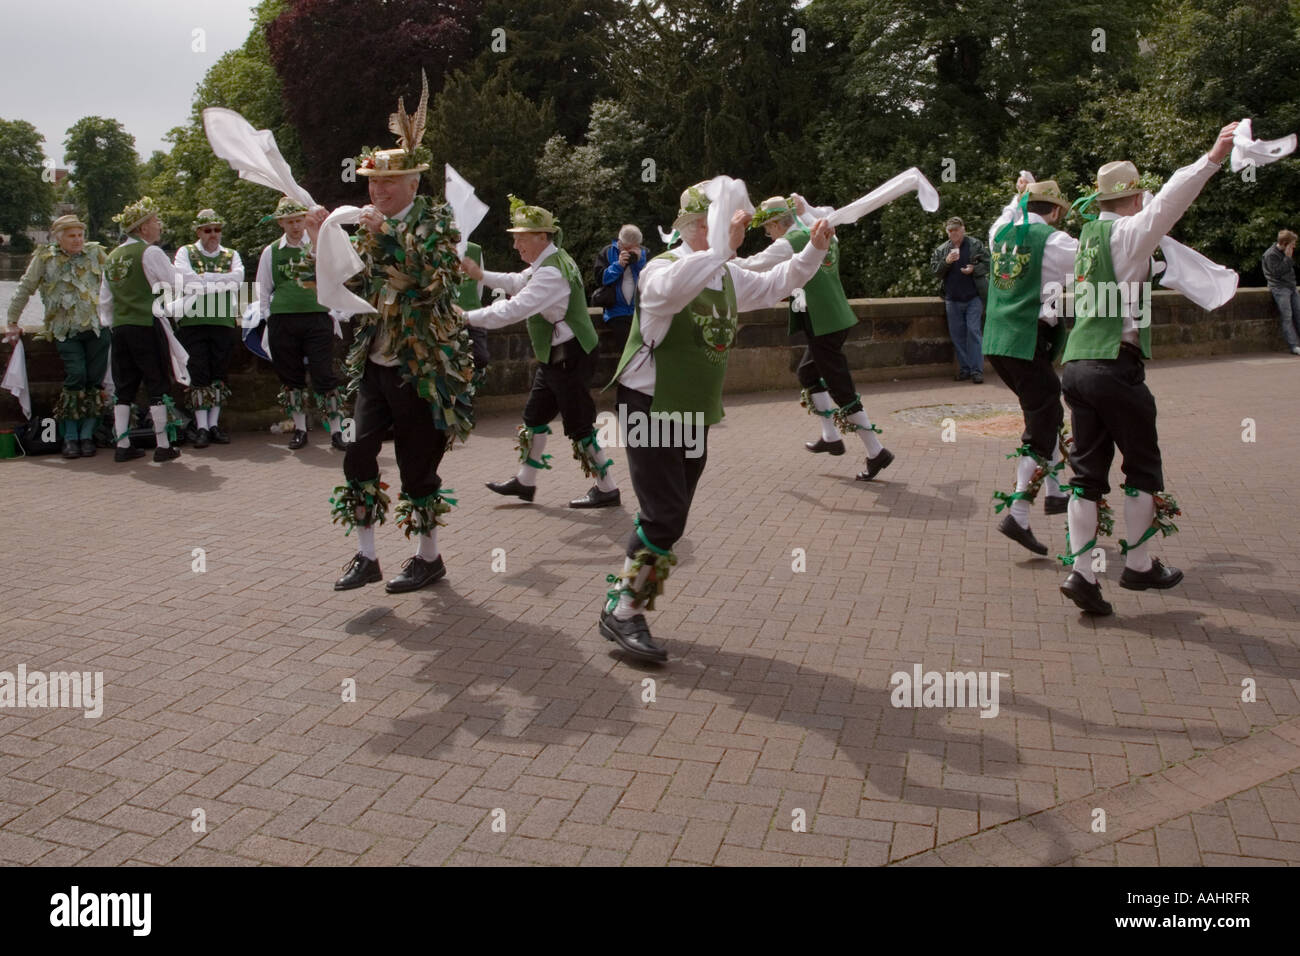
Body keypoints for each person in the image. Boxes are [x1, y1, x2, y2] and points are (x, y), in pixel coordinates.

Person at [599, 182, 833, 662]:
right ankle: (624, 611)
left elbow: (774, 284)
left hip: (691, 409)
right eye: (724, 221)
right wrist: (723, 250)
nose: (737, 225)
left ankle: (622, 601)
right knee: (663, 515)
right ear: (699, 227)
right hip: (649, 406)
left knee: (672, 516)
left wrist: (812, 249)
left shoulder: (722, 274)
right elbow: (674, 287)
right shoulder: (662, 271)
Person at [1057, 122, 1239, 616]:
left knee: (1086, 474)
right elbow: (1171, 203)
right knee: (1141, 467)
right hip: (1114, 366)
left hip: (1075, 365)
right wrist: (1213, 158)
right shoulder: (1131, 233)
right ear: (1134, 199)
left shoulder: (1087, 237)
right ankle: (1136, 565)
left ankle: (1081, 573)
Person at [306, 80, 477, 594]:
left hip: (423, 367)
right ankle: (366, 555)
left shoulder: (438, 221)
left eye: (388, 182)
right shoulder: (366, 224)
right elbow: (355, 283)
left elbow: (433, 282)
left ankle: (428, 558)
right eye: (372, 183)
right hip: (377, 363)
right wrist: (322, 240)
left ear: (413, 184)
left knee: (417, 467)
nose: (376, 191)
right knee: (357, 454)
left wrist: (388, 239)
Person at [461, 195, 619, 509]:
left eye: (521, 238)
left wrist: (464, 317)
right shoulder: (549, 261)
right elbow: (517, 281)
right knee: (534, 417)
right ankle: (526, 482)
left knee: (579, 425)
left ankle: (607, 488)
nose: (516, 245)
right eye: (515, 238)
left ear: (542, 237)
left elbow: (513, 309)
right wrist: (481, 275)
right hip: (558, 354)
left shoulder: (551, 273)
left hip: (569, 356)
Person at [734, 195, 893, 480]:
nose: (769, 235)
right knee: (807, 373)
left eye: (768, 229)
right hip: (833, 318)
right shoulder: (822, 232)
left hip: (823, 322)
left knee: (840, 386)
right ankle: (830, 437)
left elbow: (754, 265)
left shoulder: (788, 243)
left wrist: (723, 258)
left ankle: (876, 450)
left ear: (775, 224)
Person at [983, 178, 1078, 555]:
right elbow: (1102, 255)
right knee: (1043, 419)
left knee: (1047, 411)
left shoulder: (998, 233)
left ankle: (1055, 492)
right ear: (1054, 211)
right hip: (1026, 339)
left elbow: (1008, 214)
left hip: (997, 341)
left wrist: (1018, 195)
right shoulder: (1055, 242)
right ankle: (1018, 514)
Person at [98, 196, 211, 463]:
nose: (159, 225)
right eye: (154, 221)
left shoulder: (112, 257)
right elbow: (175, 282)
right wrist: (202, 283)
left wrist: (113, 323)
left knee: (124, 387)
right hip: (147, 325)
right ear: (142, 228)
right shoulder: (150, 253)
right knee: (157, 383)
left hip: (121, 328)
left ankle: (123, 445)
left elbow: (105, 301)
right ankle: (163, 445)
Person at [4, 215, 109, 458]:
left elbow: (117, 284)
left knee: (94, 380)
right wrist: (12, 321)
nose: (77, 240)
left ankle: (87, 434)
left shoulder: (96, 254)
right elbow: (25, 288)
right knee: (76, 376)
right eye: (72, 235)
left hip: (97, 329)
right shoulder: (44, 258)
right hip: (65, 331)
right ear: (58, 237)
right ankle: (70, 436)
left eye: (80, 235)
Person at [256, 196, 345, 450]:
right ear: (281, 224)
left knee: (324, 374)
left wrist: (336, 311)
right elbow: (262, 289)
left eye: (299, 220)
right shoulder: (271, 252)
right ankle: (300, 429)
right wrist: (268, 317)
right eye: (290, 222)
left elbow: (334, 277)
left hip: (317, 317)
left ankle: (337, 431)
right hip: (283, 320)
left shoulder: (318, 246)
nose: (295, 227)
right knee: (291, 377)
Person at [174, 209, 243, 446]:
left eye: (217, 229)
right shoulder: (186, 251)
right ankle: (201, 426)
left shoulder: (231, 254)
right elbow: (185, 279)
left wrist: (204, 279)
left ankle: (213, 425)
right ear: (198, 232)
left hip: (222, 319)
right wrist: (219, 280)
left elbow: (238, 279)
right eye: (208, 230)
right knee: (198, 371)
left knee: (219, 372)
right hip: (193, 319)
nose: (213, 234)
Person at [930, 216, 988, 382]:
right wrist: (946, 262)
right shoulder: (942, 250)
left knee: (973, 332)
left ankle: (977, 371)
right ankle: (965, 369)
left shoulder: (975, 245)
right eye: (950, 230)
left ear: (963, 229)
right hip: (952, 298)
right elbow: (935, 272)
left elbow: (990, 263)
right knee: (957, 335)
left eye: (956, 229)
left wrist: (974, 269)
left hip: (973, 297)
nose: (953, 233)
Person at [597, 225, 647, 354]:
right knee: (626, 350)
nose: (630, 251)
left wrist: (639, 262)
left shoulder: (644, 253)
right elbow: (601, 279)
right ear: (620, 243)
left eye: (633, 247)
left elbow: (652, 279)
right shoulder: (607, 252)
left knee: (643, 349)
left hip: (640, 309)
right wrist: (618, 265)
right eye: (626, 248)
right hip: (616, 312)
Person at [1262, 229, 1299, 355]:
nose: (1294, 246)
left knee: (1298, 314)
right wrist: (1288, 258)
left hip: (1291, 286)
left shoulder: (1284, 252)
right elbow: (1277, 273)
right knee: (1287, 316)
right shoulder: (1270, 255)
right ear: (1285, 243)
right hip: (1279, 288)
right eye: (1292, 243)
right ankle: (1294, 345)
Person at [456, 240, 490, 377]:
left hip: (471, 311)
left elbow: (479, 286)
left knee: (480, 357)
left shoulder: (475, 249)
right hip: (445, 316)